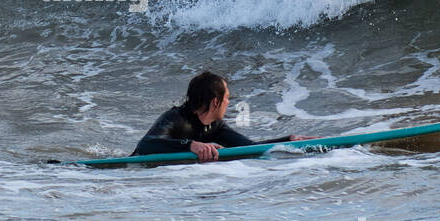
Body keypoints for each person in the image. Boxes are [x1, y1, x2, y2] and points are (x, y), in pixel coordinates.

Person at [133, 71, 314, 161]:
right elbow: (146, 145)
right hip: (135, 173)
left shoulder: (215, 126)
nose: (229, 103)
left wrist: (288, 140)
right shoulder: (176, 118)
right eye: (226, 98)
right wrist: (191, 146)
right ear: (215, 102)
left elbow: (249, 147)